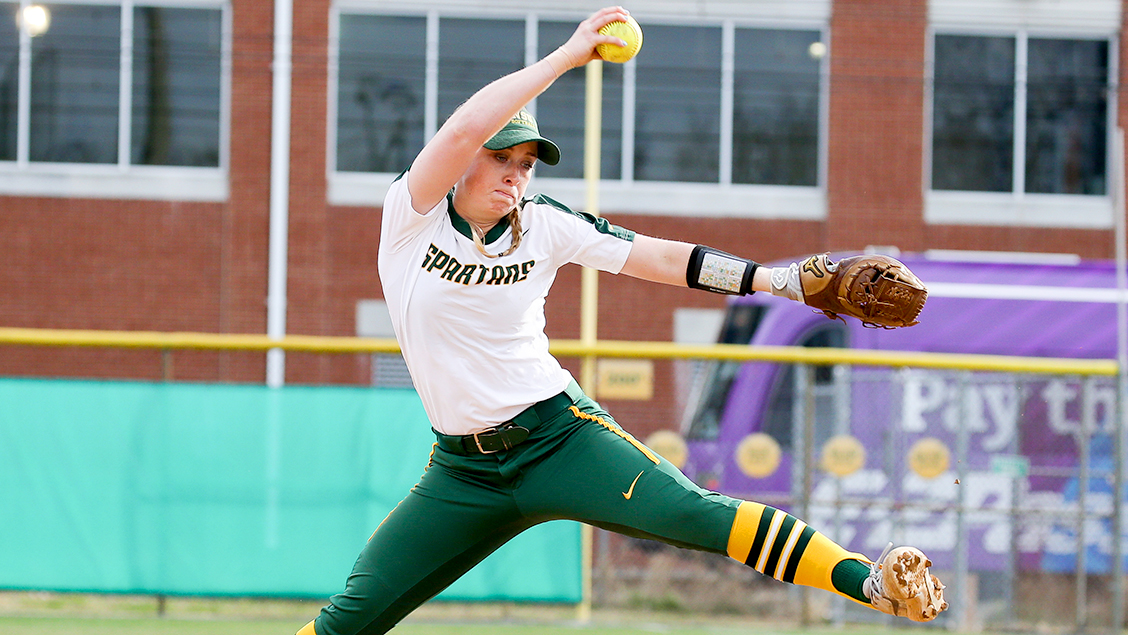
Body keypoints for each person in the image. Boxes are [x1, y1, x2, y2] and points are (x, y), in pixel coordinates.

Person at [297, 7, 947, 635]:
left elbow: (661, 259)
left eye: (526, 164)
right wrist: (571, 54)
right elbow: (467, 128)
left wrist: (776, 281)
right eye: (504, 158)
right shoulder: (410, 219)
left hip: (559, 437)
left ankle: (869, 581)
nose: (516, 175)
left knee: (693, 512)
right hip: (462, 470)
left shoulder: (543, 223)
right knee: (351, 616)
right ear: (462, 162)